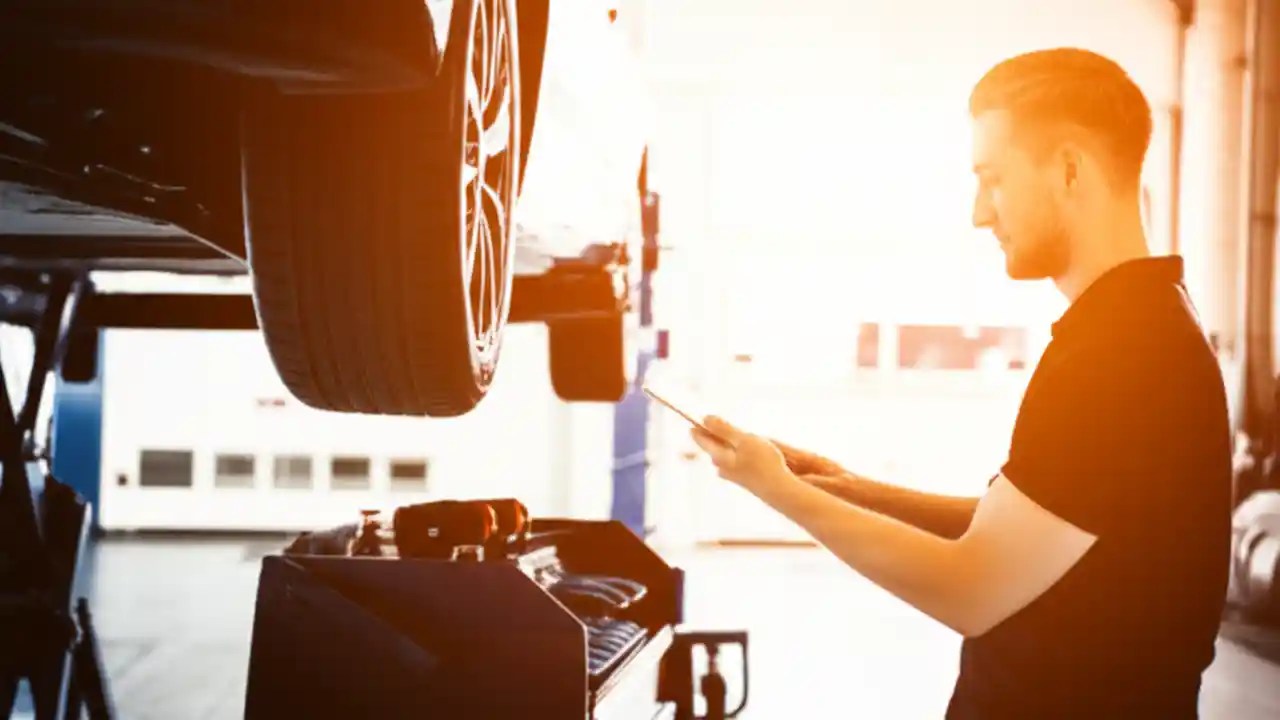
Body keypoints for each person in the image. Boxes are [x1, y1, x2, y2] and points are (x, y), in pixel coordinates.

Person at [690, 47, 1233, 719]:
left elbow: (971, 587)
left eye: (994, 178)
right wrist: (843, 485)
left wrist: (774, 491)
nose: (980, 212)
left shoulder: (1123, 351)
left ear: (1068, 168)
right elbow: (1024, 532)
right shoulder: (1137, 323)